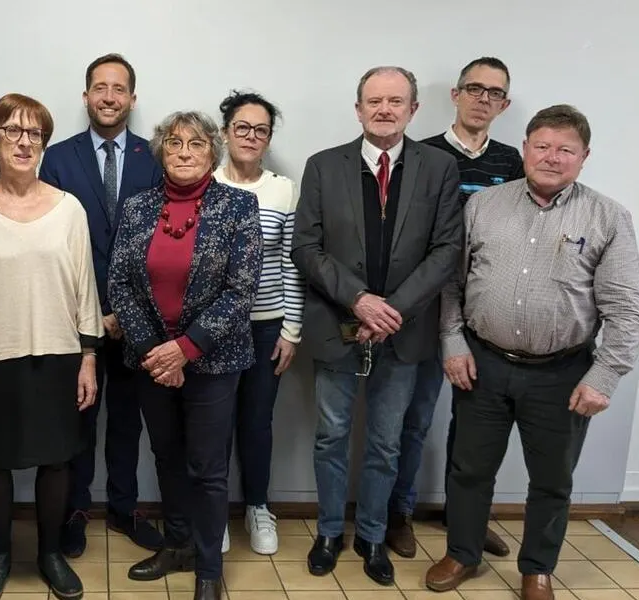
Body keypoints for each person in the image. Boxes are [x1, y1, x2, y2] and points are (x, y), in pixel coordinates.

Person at [425, 104, 639, 600]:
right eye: (542, 146)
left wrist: (605, 375)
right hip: (483, 363)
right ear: (523, 149)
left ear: (584, 157)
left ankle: (537, 568)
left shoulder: (608, 217)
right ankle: (462, 552)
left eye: (565, 150)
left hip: (563, 373)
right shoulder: (483, 205)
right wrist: (453, 342)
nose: (551, 157)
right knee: (469, 468)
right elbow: (452, 284)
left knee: (552, 479)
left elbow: (626, 308)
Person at [292, 66, 462, 585]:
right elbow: (306, 247)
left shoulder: (439, 168)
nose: (384, 109)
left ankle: (370, 535)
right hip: (339, 324)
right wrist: (360, 300)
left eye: (396, 101)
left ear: (414, 109)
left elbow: (447, 250)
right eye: (374, 100)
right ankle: (327, 531)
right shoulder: (323, 166)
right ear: (358, 107)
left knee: (387, 442)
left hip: (405, 332)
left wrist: (393, 310)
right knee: (331, 436)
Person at [0, 93, 102, 600]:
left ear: (44, 144)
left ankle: (49, 553)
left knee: (57, 461)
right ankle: (0, 553)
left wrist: (88, 359)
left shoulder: (69, 209)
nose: (24, 142)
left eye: (34, 134)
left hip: (58, 356)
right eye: (12, 131)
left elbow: (84, 289)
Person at [110, 110, 262, 600]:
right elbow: (119, 284)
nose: (183, 152)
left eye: (195, 144)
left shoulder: (239, 206)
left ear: (211, 153)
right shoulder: (137, 207)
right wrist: (159, 352)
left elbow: (241, 292)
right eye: (174, 143)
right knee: (167, 456)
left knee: (208, 468)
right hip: (151, 361)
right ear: (161, 151)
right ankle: (175, 545)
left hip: (213, 363)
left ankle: (208, 568)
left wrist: (185, 349)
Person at [387, 56, 524, 559]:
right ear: (456, 94)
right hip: (425, 310)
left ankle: (463, 517)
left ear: (504, 104)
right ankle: (399, 512)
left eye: (494, 93)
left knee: (473, 427)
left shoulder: (513, 162)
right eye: (474, 88)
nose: (483, 99)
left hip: (487, 314)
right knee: (414, 417)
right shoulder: (419, 154)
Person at [39, 52, 164, 557]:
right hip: (75, 316)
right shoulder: (57, 157)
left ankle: (124, 505)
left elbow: (162, 241)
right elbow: (49, 241)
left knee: (129, 420)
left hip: (139, 321)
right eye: (99, 87)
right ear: (86, 95)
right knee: (79, 417)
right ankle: (74, 509)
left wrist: (125, 312)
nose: (109, 97)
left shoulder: (154, 156)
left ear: (132, 98)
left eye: (119, 89)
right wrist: (94, 310)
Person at [213, 90, 304, 556]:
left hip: (265, 326)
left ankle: (256, 506)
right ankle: (214, 513)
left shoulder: (282, 189)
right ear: (226, 132)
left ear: (268, 138)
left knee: (256, 423)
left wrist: (292, 329)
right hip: (211, 331)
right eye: (242, 127)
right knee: (213, 423)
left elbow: (291, 263)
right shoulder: (204, 183)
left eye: (261, 130)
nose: (251, 136)